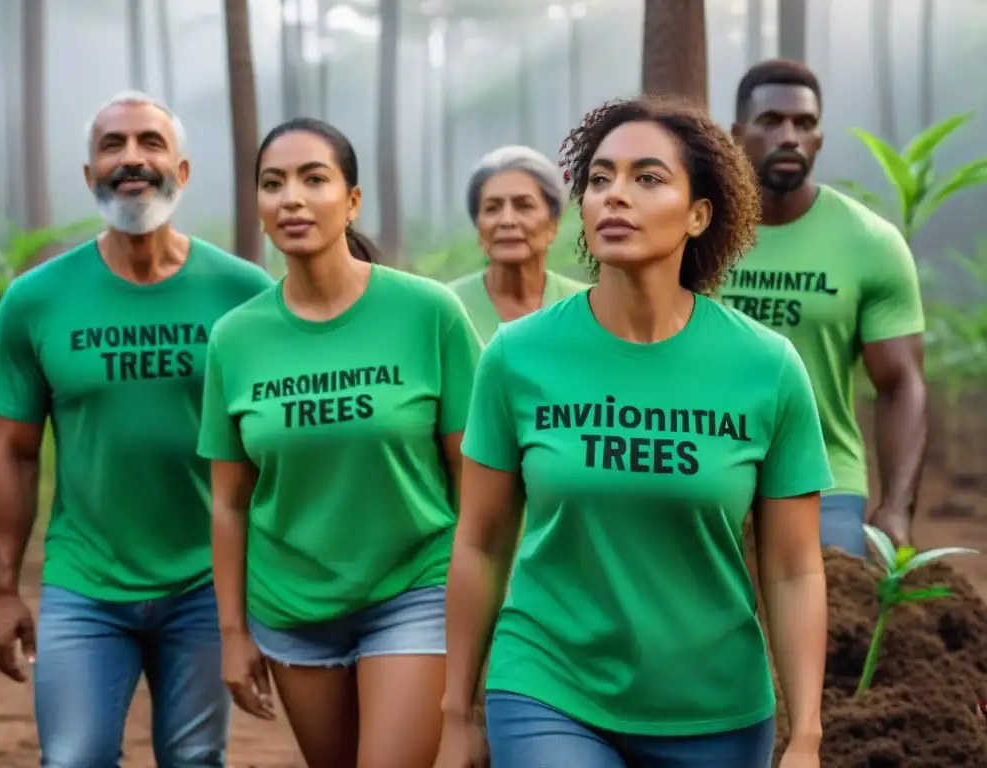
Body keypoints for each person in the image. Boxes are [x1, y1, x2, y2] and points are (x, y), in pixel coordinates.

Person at [434, 96, 831, 768]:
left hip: (716, 707)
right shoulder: (515, 355)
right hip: (547, 684)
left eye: (647, 178)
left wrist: (808, 736)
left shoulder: (767, 368)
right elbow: (480, 542)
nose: (616, 195)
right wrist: (455, 714)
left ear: (699, 215)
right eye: (599, 179)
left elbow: (793, 569)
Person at [0, 90, 274, 767]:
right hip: (86, 582)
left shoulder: (245, 292)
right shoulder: (37, 301)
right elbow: (13, 453)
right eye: (112, 145)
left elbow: (275, 447)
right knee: (73, 758)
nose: (132, 158)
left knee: (194, 760)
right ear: (90, 176)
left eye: (150, 142)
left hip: (208, 582)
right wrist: (2, 591)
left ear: (183, 169)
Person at [198, 116, 482, 768]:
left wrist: (481, 617)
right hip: (292, 610)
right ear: (260, 208)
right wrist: (234, 633)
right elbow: (228, 504)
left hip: (413, 589)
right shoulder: (235, 339)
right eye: (273, 184)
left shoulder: (428, 313)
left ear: (352, 200)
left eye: (313, 178)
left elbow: (474, 484)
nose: (291, 198)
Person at [726, 59, 927, 555]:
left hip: (824, 482)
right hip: (704, 473)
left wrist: (896, 508)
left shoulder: (870, 243)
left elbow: (900, 383)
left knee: (834, 625)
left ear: (819, 138)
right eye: (771, 122)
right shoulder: (692, 234)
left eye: (805, 123)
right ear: (736, 134)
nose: (790, 136)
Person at [448, 145, 588, 342]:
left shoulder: (587, 308)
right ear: (478, 226)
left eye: (524, 206)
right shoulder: (446, 306)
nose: (507, 220)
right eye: (492, 208)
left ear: (553, 224)